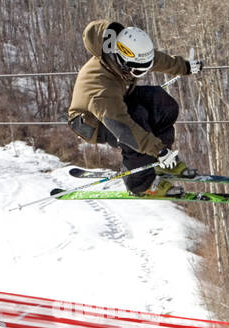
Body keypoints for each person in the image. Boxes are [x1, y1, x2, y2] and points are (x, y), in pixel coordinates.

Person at [66, 20, 202, 196]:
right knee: (137, 124)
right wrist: (157, 150)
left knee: (161, 103)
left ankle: (156, 163)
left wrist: (184, 67)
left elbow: (156, 60)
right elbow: (124, 129)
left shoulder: (127, 54)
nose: (140, 74)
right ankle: (139, 184)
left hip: (118, 100)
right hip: (90, 122)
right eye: (138, 72)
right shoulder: (100, 87)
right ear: (122, 61)